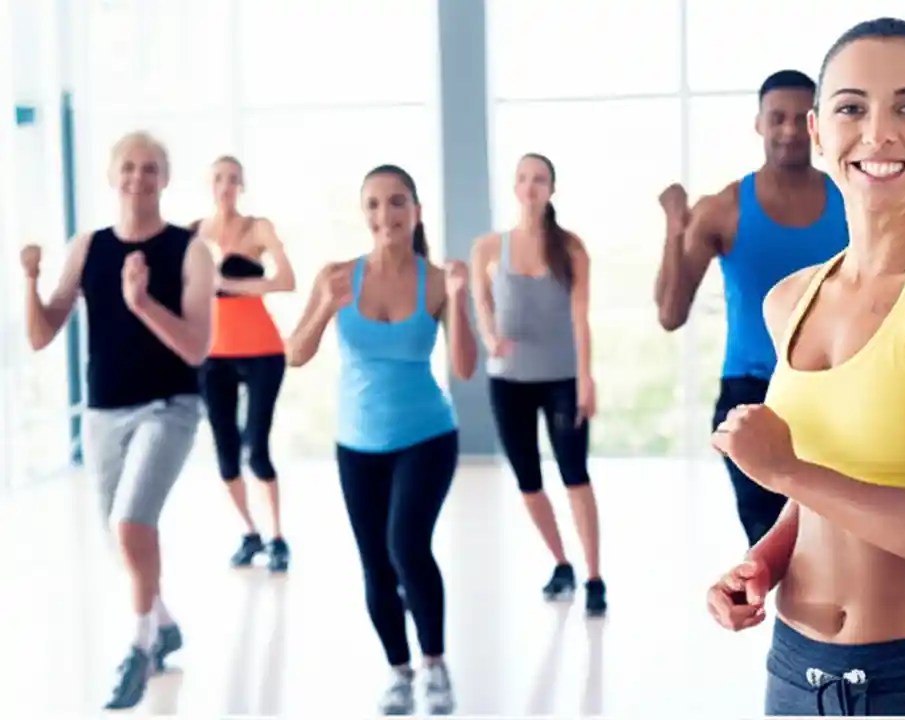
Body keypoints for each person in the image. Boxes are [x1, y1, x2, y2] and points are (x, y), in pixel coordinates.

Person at [705, 18, 905, 715]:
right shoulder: (789, 301)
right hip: (797, 673)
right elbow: (826, 494)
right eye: (852, 107)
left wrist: (785, 470)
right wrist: (764, 560)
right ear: (819, 131)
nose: (879, 132)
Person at [21, 131, 214, 710]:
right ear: (112, 176)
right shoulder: (88, 248)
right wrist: (29, 278)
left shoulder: (190, 251)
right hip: (104, 412)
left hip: (170, 408)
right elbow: (40, 334)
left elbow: (197, 348)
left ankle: (139, 649)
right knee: (124, 539)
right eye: (128, 167)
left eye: (151, 168)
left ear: (165, 178)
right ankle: (163, 622)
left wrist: (142, 303)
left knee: (132, 524)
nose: (139, 177)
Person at [285, 164, 477, 716]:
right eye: (373, 204)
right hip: (358, 443)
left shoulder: (438, 278)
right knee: (375, 562)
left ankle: (436, 665)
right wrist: (325, 304)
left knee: (406, 546)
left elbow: (464, 369)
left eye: (396, 203)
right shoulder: (337, 276)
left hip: (427, 436)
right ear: (363, 212)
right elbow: (295, 353)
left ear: (415, 211)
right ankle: (399, 671)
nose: (385, 215)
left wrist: (460, 300)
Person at [655, 70, 848, 547]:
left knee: (835, 543)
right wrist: (674, 230)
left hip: (833, 389)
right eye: (775, 118)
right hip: (750, 393)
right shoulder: (724, 208)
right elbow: (670, 313)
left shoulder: (850, 203)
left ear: (818, 126)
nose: (787, 130)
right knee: (769, 544)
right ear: (758, 124)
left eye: (800, 120)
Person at [470, 153, 606, 616]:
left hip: (563, 378)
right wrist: (490, 337)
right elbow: (481, 301)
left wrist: (586, 377)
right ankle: (561, 563)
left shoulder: (570, 248)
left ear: (551, 189)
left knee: (574, 475)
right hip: (509, 381)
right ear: (514, 187)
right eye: (523, 178)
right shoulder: (488, 247)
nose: (530, 187)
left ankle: (593, 576)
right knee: (528, 478)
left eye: (540, 179)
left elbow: (580, 318)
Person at [191, 155, 296, 572]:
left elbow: (287, 281)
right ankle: (250, 533)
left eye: (233, 179)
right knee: (226, 452)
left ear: (242, 184)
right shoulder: (194, 233)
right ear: (209, 183)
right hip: (213, 354)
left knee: (257, 449)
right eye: (218, 178)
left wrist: (229, 284)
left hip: (262, 351)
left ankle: (277, 537)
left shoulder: (259, 228)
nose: (226, 185)